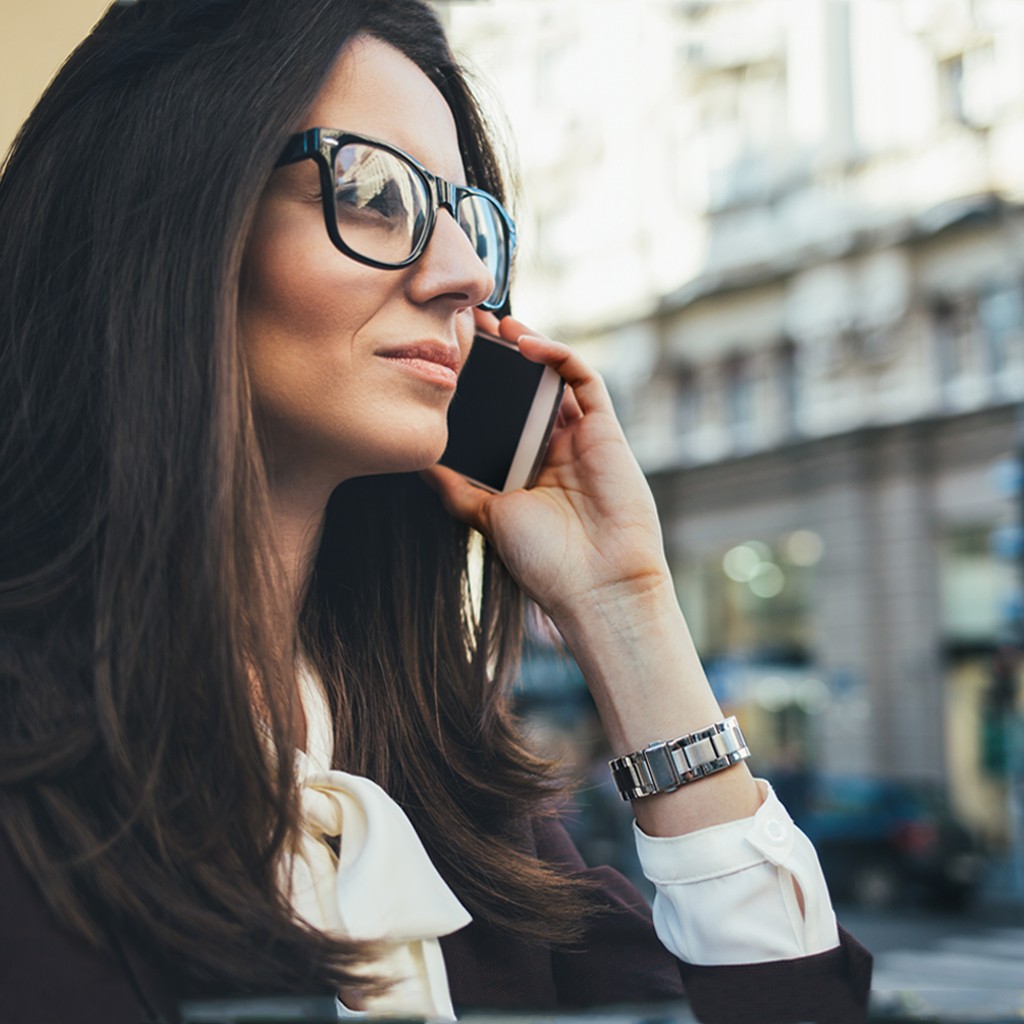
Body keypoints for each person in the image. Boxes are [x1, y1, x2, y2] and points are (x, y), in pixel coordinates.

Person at [0, 1, 872, 1021]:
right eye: (373, 192)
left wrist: (623, 606)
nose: (462, 275)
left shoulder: (457, 787)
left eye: (468, 218)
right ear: (165, 217)